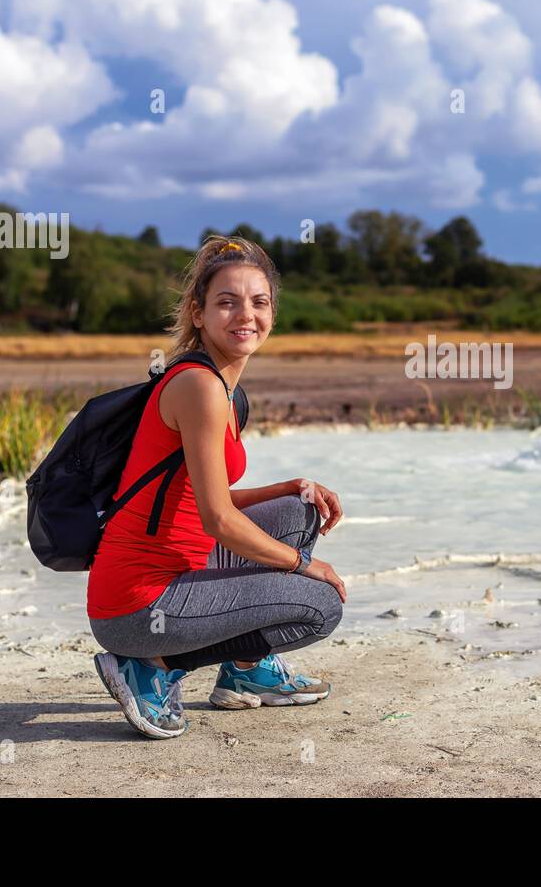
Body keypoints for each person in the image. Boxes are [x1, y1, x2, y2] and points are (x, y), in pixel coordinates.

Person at [86, 235, 347, 740]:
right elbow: (218, 521)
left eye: (258, 301)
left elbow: (208, 502)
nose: (245, 315)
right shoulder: (198, 386)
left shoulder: (226, 389)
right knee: (321, 606)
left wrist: (292, 487)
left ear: (272, 313)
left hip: (176, 575)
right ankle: (150, 666)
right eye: (226, 302)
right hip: (139, 606)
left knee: (299, 509)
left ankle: (246, 671)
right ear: (199, 313)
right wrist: (305, 565)